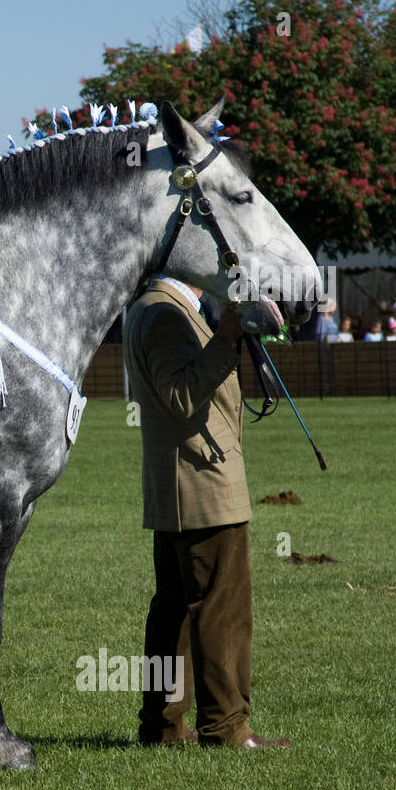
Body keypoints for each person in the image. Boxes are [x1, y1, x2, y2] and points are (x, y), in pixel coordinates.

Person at [122, 275, 292, 750]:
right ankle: (227, 728)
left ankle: (164, 727)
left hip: (182, 487)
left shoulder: (154, 306)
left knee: (174, 613)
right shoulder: (165, 312)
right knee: (222, 609)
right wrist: (225, 339)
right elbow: (179, 395)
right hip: (203, 485)